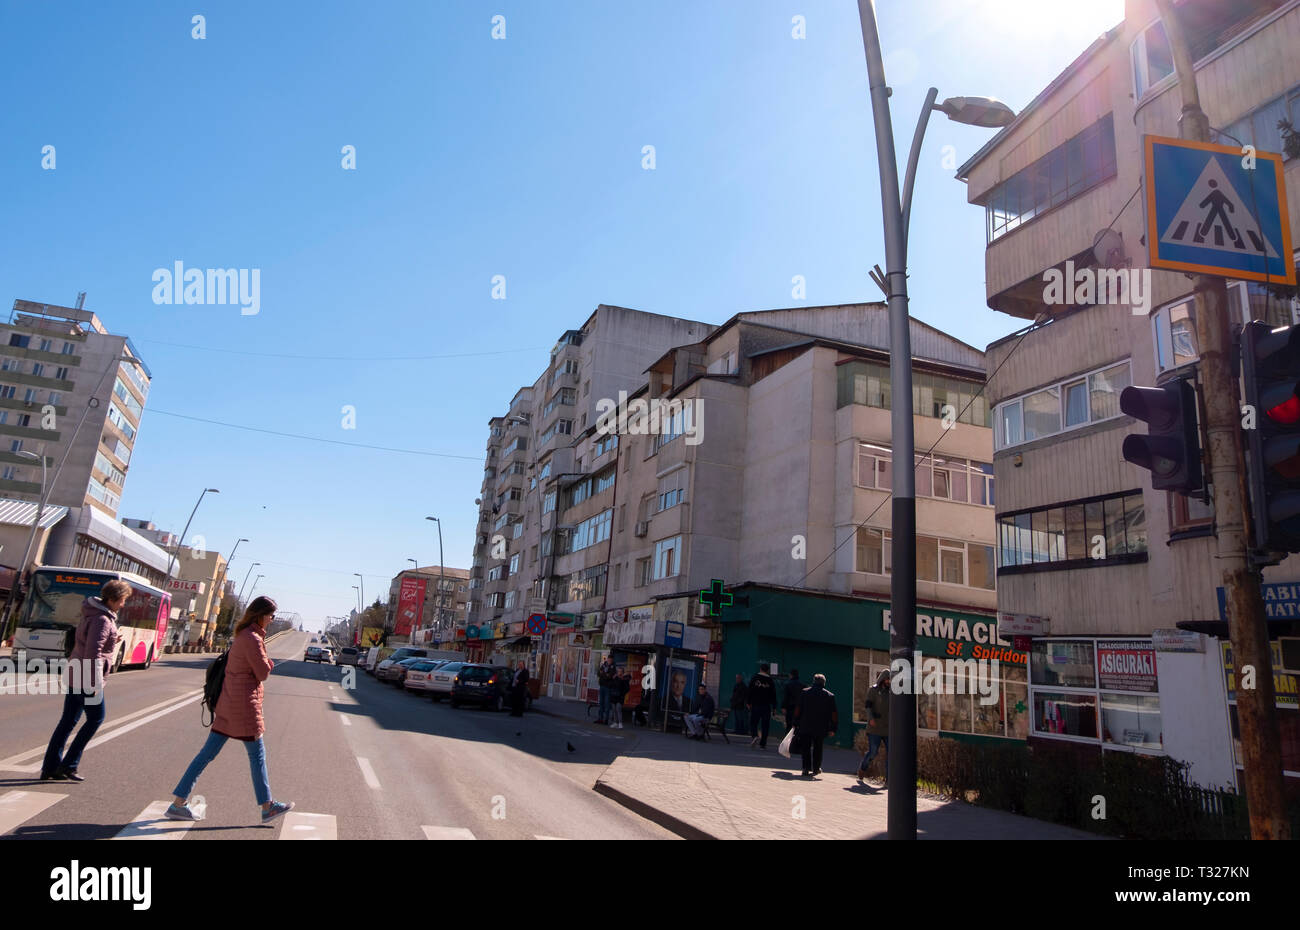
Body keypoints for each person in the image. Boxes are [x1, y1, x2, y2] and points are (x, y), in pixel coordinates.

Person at [165, 596, 294, 824]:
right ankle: (267, 807)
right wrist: (269, 662)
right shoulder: (253, 639)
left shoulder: (242, 635)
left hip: (229, 703)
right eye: (271, 616)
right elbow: (263, 673)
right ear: (261, 615)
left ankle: (178, 803)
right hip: (244, 706)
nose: (272, 620)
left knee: (205, 755)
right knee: (257, 755)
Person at [41, 579, 131, 781]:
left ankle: (50, 767)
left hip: (77, 672)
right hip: (87, 676)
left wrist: (111, 641)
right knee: (96, 718)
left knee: (67, 721)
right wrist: (95, 683)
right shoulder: (102, 619)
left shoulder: (92, 613)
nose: (124, 604)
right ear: (115, 599)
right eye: (123, 600)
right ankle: (68, 764)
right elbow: (93, 652)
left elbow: (90, 643)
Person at [793, 673, 838, 777]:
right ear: (824, 683)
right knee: (818, 748)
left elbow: (798, 709)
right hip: (821, 727)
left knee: (806, 747)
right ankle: (816, 768)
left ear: (814, 681)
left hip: (805, 725)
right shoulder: (829, 696)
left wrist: (795, 722)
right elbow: (834, 714)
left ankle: (805, 768)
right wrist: (833, 728)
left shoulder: (805, 692)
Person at [858, 668, 891, 784]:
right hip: (875, 727)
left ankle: (889, 779)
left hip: (888, 728)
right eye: (887, 679)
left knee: (891, 753)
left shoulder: (892, 692)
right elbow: (868, 706)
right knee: (873, 752)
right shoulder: (873, 690)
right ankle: (863, 768)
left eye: (890, 679)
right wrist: (871, 718)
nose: (889, 681)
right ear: (882, 679)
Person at [747, 663, 778, 749]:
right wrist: (774, 707)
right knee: (765, 725)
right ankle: (763, 743)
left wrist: (748, 702)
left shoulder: (755, 678)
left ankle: (755, 736)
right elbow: (773, 695)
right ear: (767, 670)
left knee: (753, 722)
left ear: (760, 669)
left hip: (756, 704)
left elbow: (750, 691)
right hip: (766, 706)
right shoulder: (770, 681)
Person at [782, 668, 805, 734]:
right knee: (797, 725)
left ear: (791, 675)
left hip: (790, 708)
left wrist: (783, 707)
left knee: (789, 725)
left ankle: (788, 741)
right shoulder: (802, 685)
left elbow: (786, 697)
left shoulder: (788, 684)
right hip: (799, 708)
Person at [596, 654, 616, 724]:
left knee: (607, 704)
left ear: (612, 660)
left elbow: (609, 677)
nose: (609, 661)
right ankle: (600, 718)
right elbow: (598, 673)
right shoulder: (604, 665)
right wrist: (605, 674)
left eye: (610, 660)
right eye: (608, 659)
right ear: (607, 659)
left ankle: (605, 720)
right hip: (602, 686)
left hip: (608, 687)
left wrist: (603, 674)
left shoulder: (613, 667)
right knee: (601, 703)